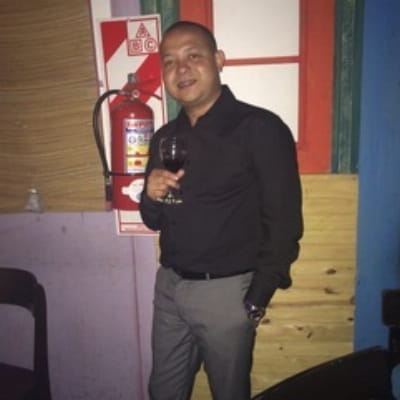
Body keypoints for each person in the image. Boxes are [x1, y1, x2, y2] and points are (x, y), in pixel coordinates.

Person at [139, 20, 303, 400]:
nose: (181, 68)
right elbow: (153, 219)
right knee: (162, 391)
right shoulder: (165, 138)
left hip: (227, 293)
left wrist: (255, 300)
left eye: (193, 56)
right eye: (169, 61)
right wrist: (150, 196)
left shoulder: (259, 128)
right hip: (170, 287)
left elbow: (284, 223)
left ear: (218, 60)